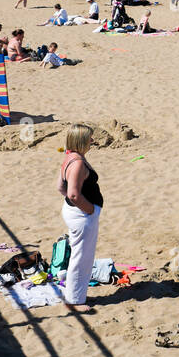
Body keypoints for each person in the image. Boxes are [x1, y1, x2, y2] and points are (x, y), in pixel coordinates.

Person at [57, 124, 103, 313]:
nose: (92, 141)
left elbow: (60, 187)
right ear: (82, 140)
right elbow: (73, 194)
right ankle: (74, 301)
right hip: (81, 215)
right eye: (89, 138)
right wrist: (90, 210)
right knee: (81, 257)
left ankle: (76, 294)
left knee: (81, 255)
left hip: (75, 213)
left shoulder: (69, 158)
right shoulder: (77, 163)